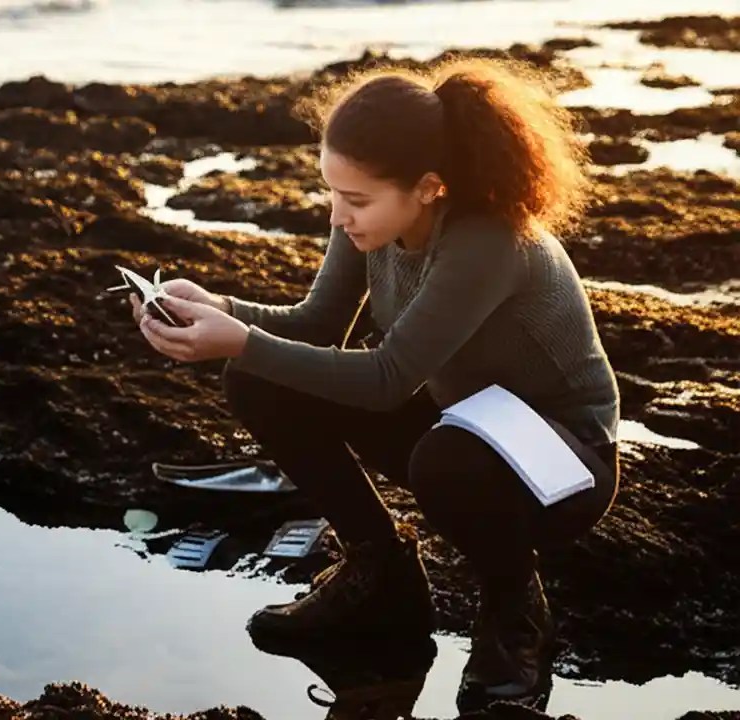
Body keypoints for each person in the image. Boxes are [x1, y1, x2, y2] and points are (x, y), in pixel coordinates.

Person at [127, 58, 620, 713]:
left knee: (442, 456)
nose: (339, 215)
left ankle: (514, 611)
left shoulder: (486, 240)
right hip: (465, 421)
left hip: (562, 461)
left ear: (428, 188)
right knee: (260, 379)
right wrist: (219, 307)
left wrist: (240, 338)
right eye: (333, 192)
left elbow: (388, 380)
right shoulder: (369, 223)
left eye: (355, 200)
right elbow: (314, 324)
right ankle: (381, 571)